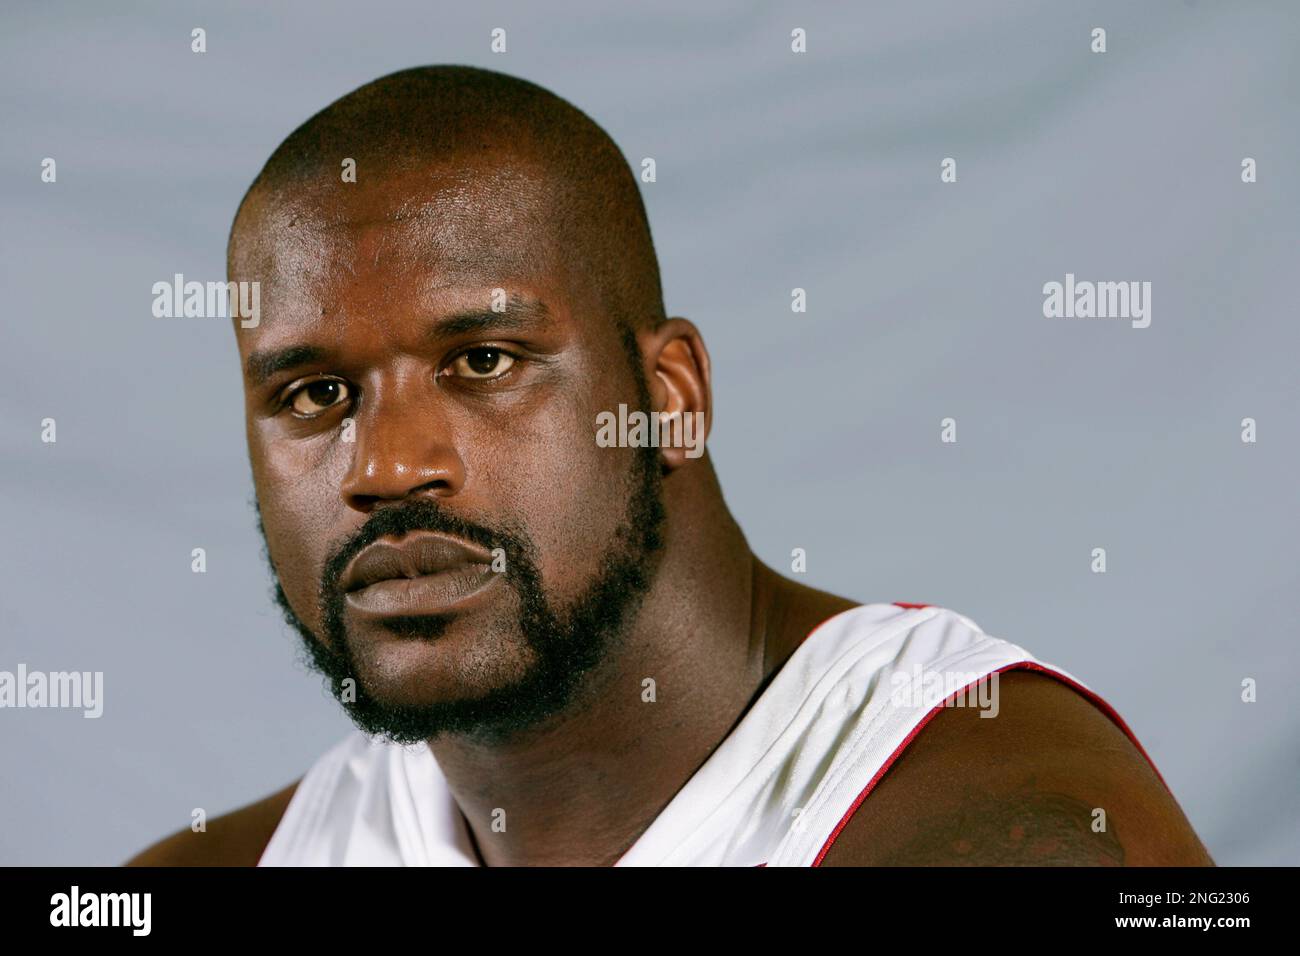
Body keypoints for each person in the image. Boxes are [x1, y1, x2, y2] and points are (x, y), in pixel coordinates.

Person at [127, 66, 1212, 867]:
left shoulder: (1008, 826)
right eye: (314, 395)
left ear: (669, 398)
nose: (388, 464)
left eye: (484, 361)